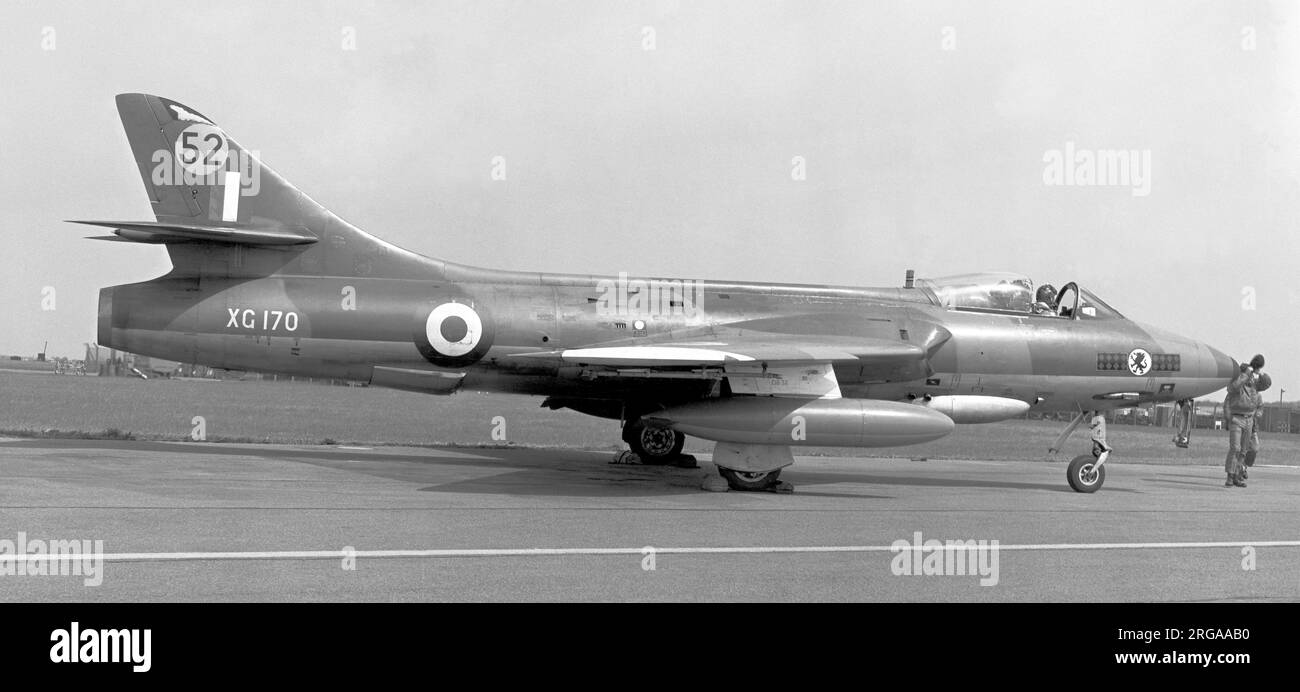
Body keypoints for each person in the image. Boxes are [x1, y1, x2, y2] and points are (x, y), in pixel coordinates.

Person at [1223, 354, 1265, 488]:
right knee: (1235, 448)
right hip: (1237, 418)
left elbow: (1266, 385)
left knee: (1244, 450)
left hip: (1249, 420)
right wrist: (1245, 375)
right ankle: (1230, 476)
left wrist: (1261, 373)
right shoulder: (1237, 385)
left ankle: (1237, 475)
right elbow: (1232, 388)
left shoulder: (1254, 387)